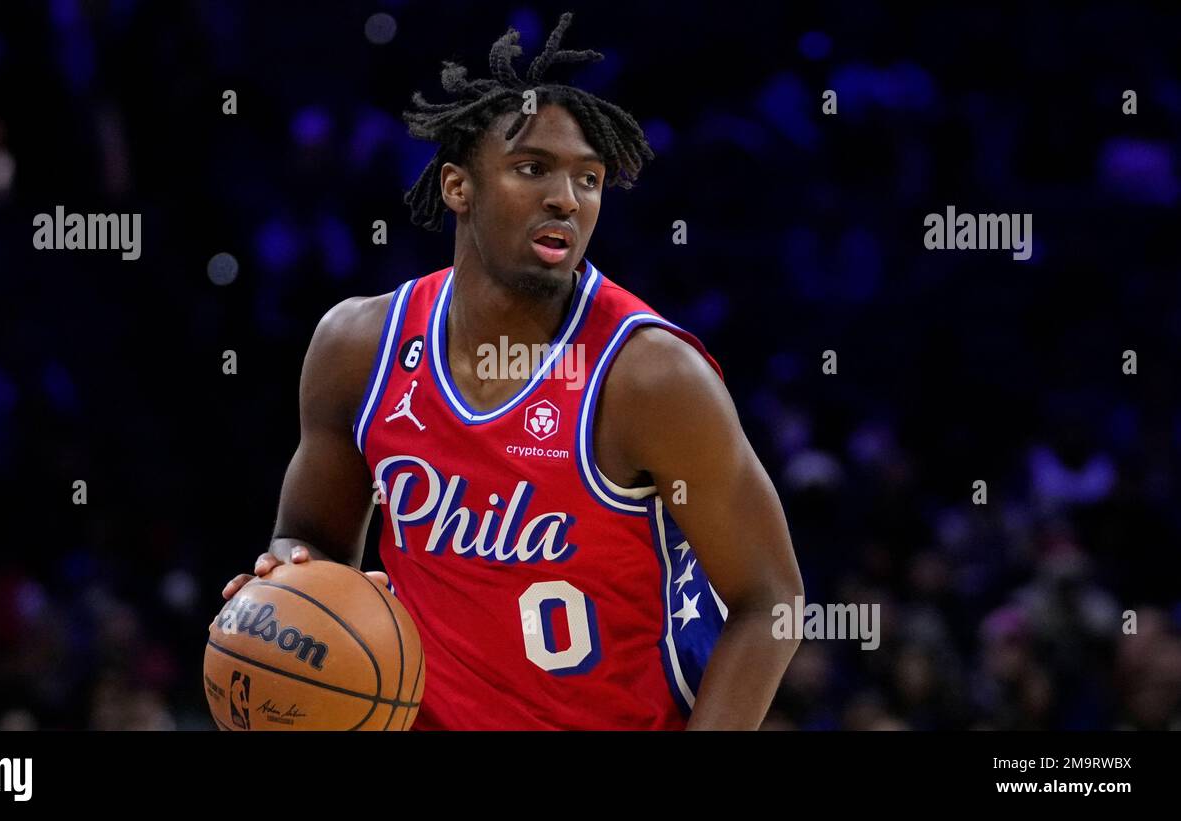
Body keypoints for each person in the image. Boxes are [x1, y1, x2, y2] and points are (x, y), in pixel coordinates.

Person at [221, 12, 802, 729]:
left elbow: (771, 599)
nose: (567, 197)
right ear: (458, 187)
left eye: (588, 179)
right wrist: (287, 588)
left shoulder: (649, 377)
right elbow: (306, 535)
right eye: (533, 169)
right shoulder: (357, 346)